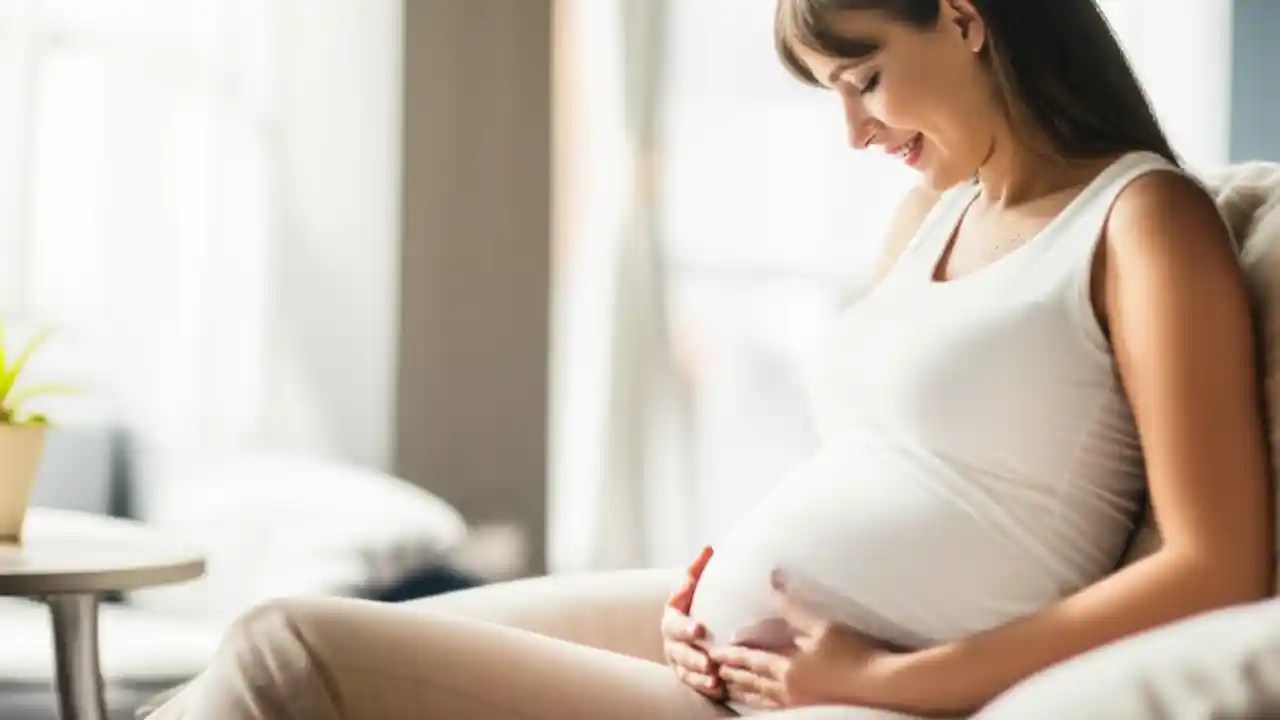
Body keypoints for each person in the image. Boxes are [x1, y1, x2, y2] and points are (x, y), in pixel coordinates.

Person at [144, 1, 1273, 718]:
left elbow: (1216, 565)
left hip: (868, 689)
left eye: (864, 77)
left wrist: (886, 682)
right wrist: (719, 586)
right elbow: (889, 466)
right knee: (253, 665)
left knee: (288, 650)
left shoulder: (1142, 219)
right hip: (731, 661)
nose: (854, 132)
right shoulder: (934, 214)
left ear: (965, 15)